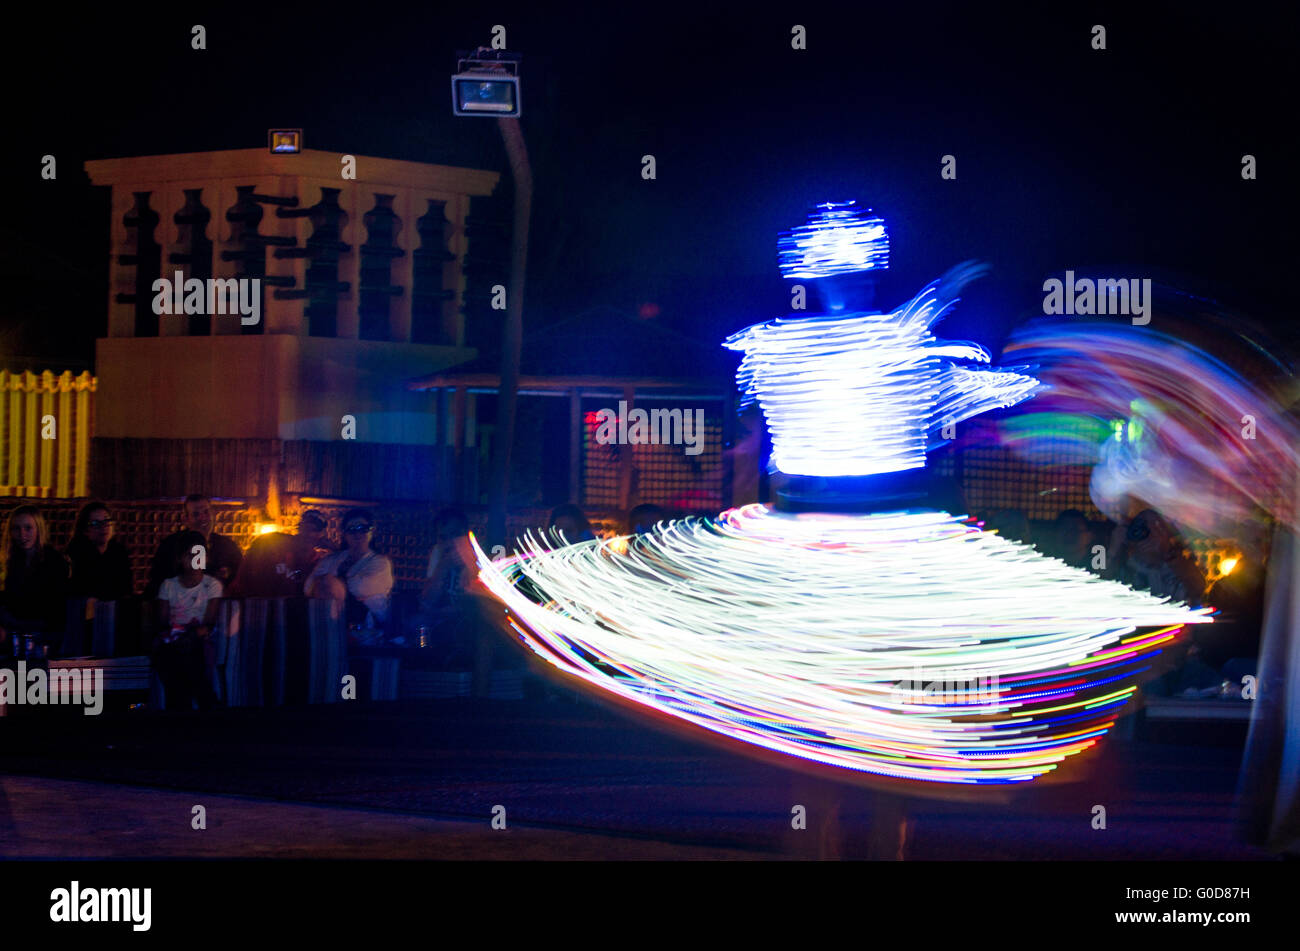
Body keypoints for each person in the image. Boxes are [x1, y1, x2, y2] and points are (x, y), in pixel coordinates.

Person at [153, 530, 222, 711]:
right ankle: (204, 705)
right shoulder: (168, 586)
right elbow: (162, 622)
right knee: (172, 656)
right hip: (173, 639)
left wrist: (191, 634)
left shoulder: (212, 585)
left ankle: (186, 709)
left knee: (189, 655)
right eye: (190, 555)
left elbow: (209, 623)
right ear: (180, 559)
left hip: (200, 639)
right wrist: (175, 635)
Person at [304, 508, 393, 628]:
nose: (357, 534)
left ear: (371, 532)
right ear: (344, 534)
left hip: (369, 630)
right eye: (351, 530)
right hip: (332, 625)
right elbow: (308, 586)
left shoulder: (381, 563)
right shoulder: (331, 560)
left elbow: (360, 587)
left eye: (362, 529)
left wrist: (327, 583)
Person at [145, 494, 242, 599]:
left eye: (206, 512)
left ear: (213, 514)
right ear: (186, 519)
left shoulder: (227, 546)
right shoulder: (171, 545)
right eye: (196, 514)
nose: (203, 518)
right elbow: (156, 582)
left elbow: (240, 580)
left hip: (218, 608)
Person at [0, 504, 70, 645]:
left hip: (43, 628)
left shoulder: (54, 561)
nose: (22, 534)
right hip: (17, 624)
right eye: (16, 529)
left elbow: (54, 608)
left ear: (38, 529)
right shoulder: (13, 561)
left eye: (28, 528)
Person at [229, 509, 330, 598]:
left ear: (321, 536)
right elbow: (243, 576)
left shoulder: (316, 562)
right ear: (299, 528)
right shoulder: (272, 543)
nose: (309, 534)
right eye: (306, 528)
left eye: (314, 530)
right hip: (258, 606)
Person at [65, 501, 134, 601]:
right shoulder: (76, 553)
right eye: (95, 523)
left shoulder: (119, 552)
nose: (103, 527)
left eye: (106, 521)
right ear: (85, 529)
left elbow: (126, 589)